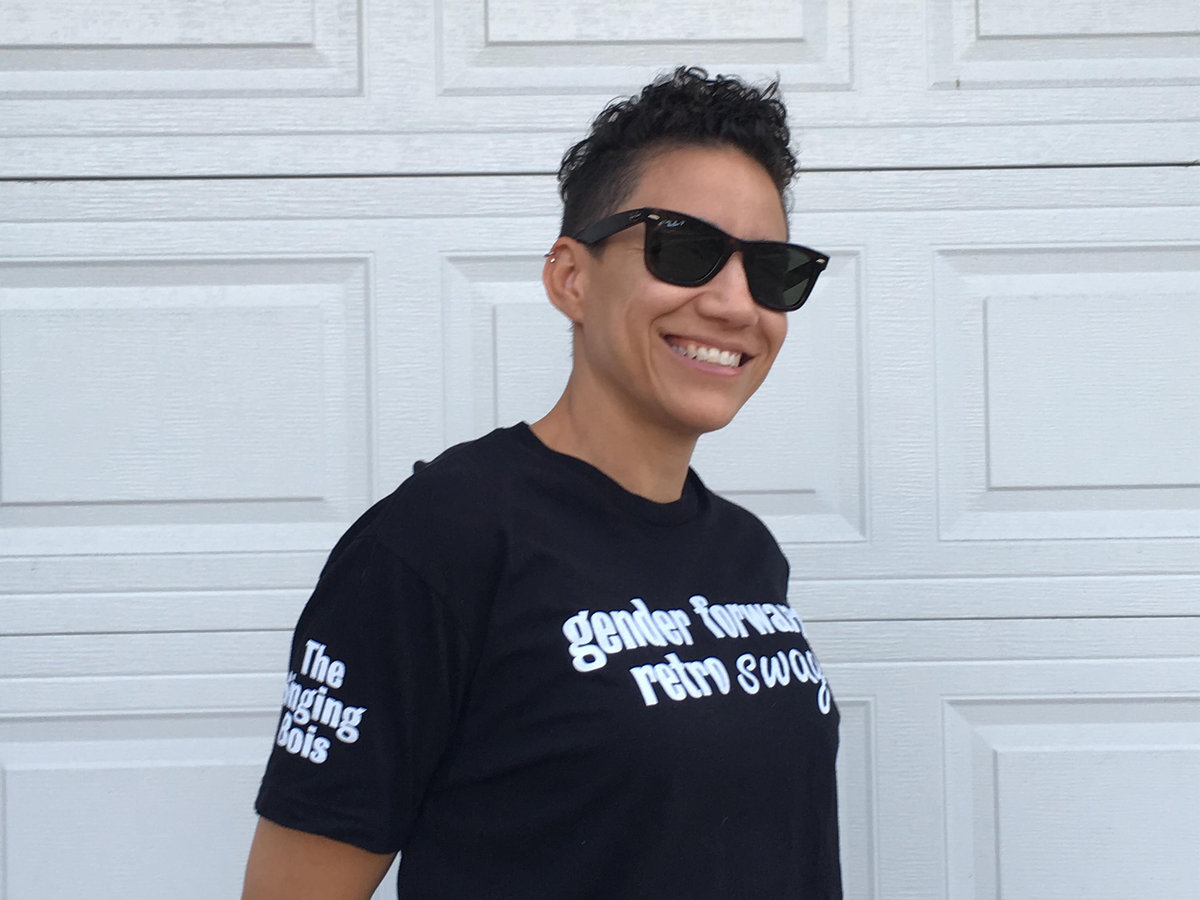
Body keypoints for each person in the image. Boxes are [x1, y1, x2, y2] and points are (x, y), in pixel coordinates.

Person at [243, 66, 841, 899]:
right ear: (571, 278)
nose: (736, 304)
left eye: (771, 269)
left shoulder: (746, 553)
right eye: (684, 249)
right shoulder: (439, 540)